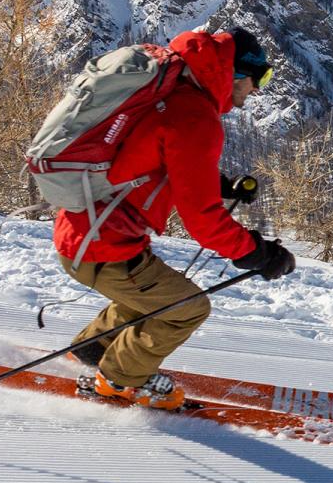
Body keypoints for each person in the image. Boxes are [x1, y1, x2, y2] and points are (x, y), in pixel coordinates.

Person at [55, 27, 295, 410]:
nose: (258, 91)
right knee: (186, 308)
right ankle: (118, 380)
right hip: (105, 245)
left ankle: (94, 349)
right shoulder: (195, 116)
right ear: (236, 73)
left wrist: (223, 187)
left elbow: (154, 158)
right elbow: (202, 221)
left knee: (154, 296)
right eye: (260, 78)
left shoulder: (173, 92)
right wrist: (258, 253)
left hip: (83, 229)